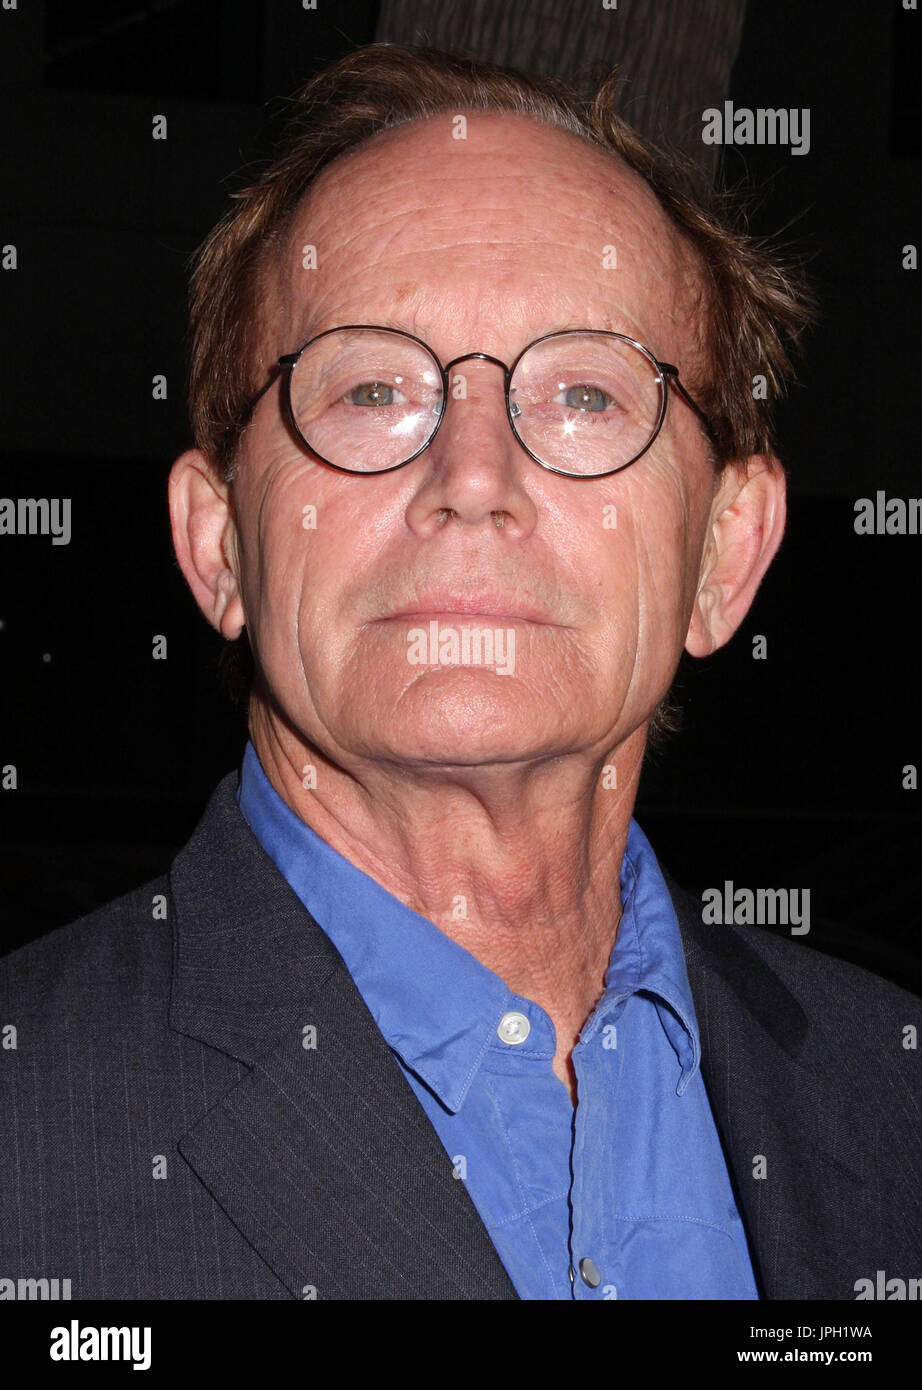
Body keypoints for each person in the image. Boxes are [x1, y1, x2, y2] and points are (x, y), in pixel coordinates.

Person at [2, 44, 919, 1302]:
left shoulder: (893, 1096)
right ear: (219, 546)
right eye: (373, 387)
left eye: (588, 394)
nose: (474, 479)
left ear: (725, 553)